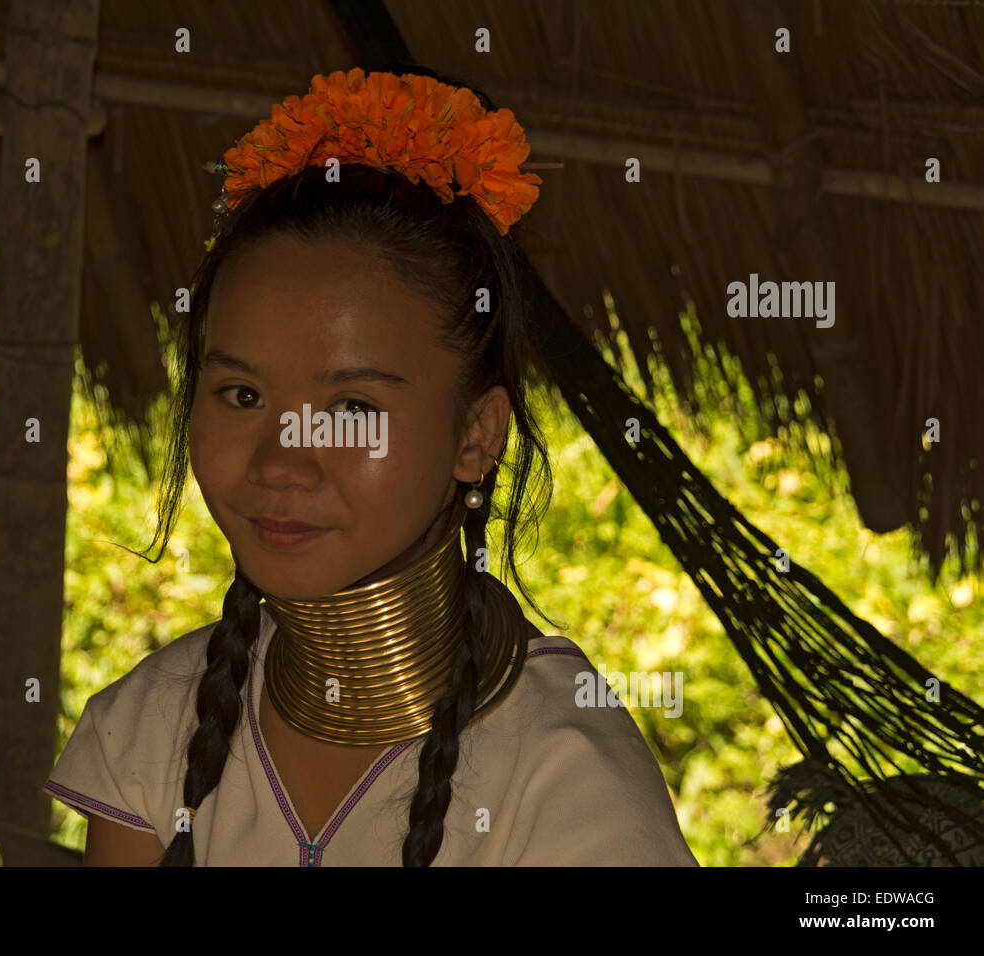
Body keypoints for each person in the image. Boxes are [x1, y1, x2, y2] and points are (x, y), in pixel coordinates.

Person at [45, 68, 698, 866]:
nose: (282, 460)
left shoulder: (567, 784)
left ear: (476, 435)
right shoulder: (149, 731)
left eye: (352, 410)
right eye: (242, 393)